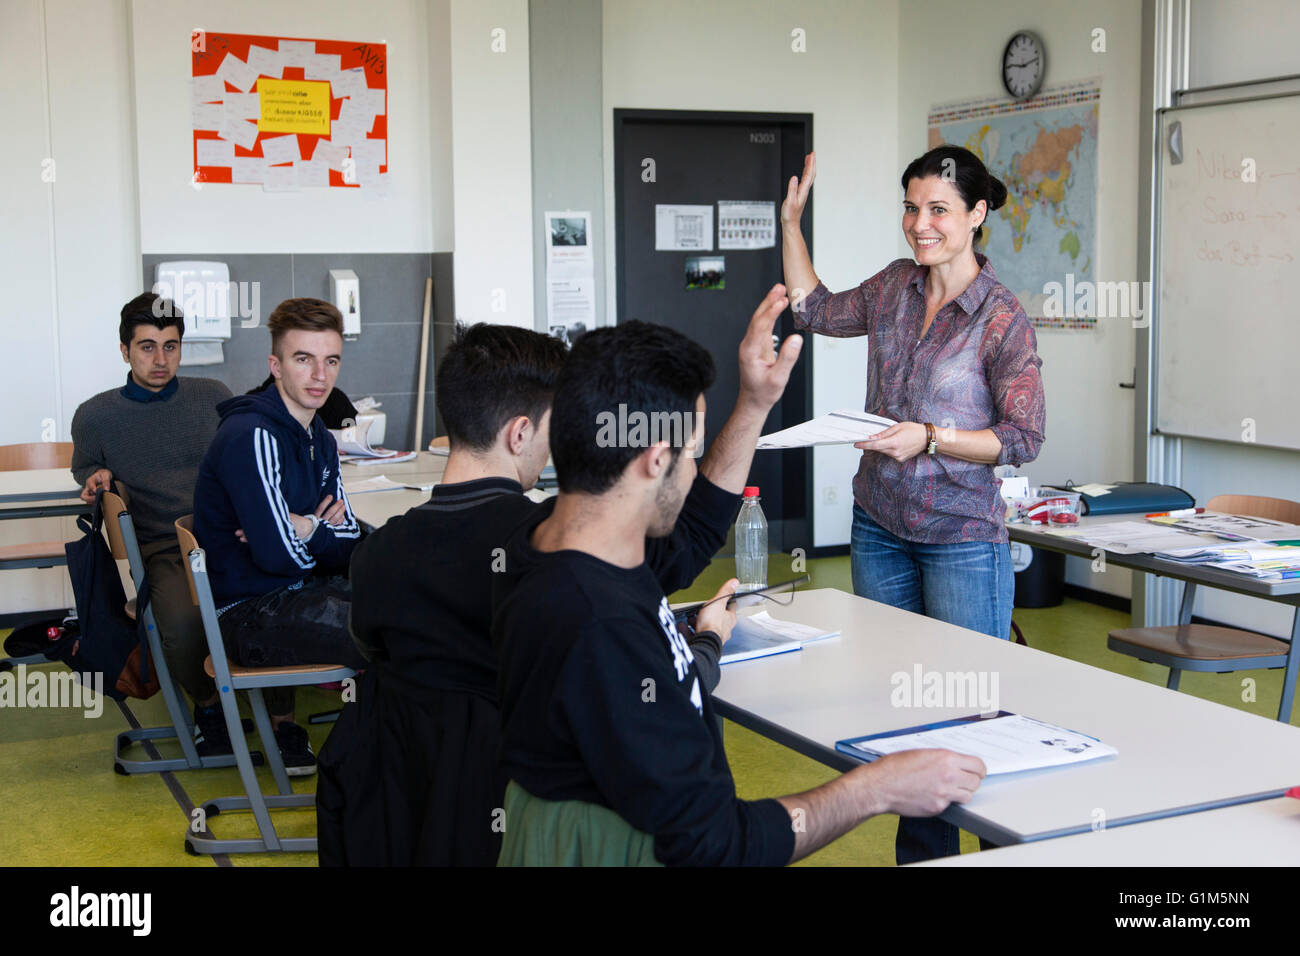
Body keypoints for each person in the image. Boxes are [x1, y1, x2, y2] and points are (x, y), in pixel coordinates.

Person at [492, 286, 986, 866]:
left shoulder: (559, 545)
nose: (695, 468)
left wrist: (754, 404)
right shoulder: (602, 622)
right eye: (692, 451)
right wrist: (876, 788)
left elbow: (694, 530)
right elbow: (717, 844)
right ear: (655, 459)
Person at [317, 323, 730, 866]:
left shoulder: (378, 555)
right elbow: (642, 692)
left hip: (405, 823)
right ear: (519, 434)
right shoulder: (559, 552)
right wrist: (706, 645)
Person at [781, 145, 1046, 862]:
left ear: (976, 215)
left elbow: (1023, 437)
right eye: (911, 207)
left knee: (966, 712)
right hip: (880, 525)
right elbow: (814, 309)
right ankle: (923, 855)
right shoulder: (896, 286)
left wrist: (930, 437)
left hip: (963, 536)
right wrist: (791, 223)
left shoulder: (1001, 318)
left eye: (937, 210)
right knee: (904, 707)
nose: (919, 225)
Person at [193, 298, 366, 774]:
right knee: (397, 629)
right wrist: (319, 537)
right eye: (302, 359)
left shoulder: (321, 439)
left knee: (412, 605)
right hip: (247, 616)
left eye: (330, 360)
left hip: (297, 595)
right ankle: (364, 772)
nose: (319, 376)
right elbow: (275, 556)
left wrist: (307, 528)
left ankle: (374, 764)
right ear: (275, 366)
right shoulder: (253, 434)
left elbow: (347, 542)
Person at [69, 293, 233, 754]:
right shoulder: (96, 415)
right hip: (161, 546)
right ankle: (208, 708)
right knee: (182, 621)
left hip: (224, 537)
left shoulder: (214, 397)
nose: (160, 360)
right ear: (124, 351)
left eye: (170, 346)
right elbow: (85, 466)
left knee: (274, 595)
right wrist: (93, 477)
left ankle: (280, 720)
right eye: (147, 347)